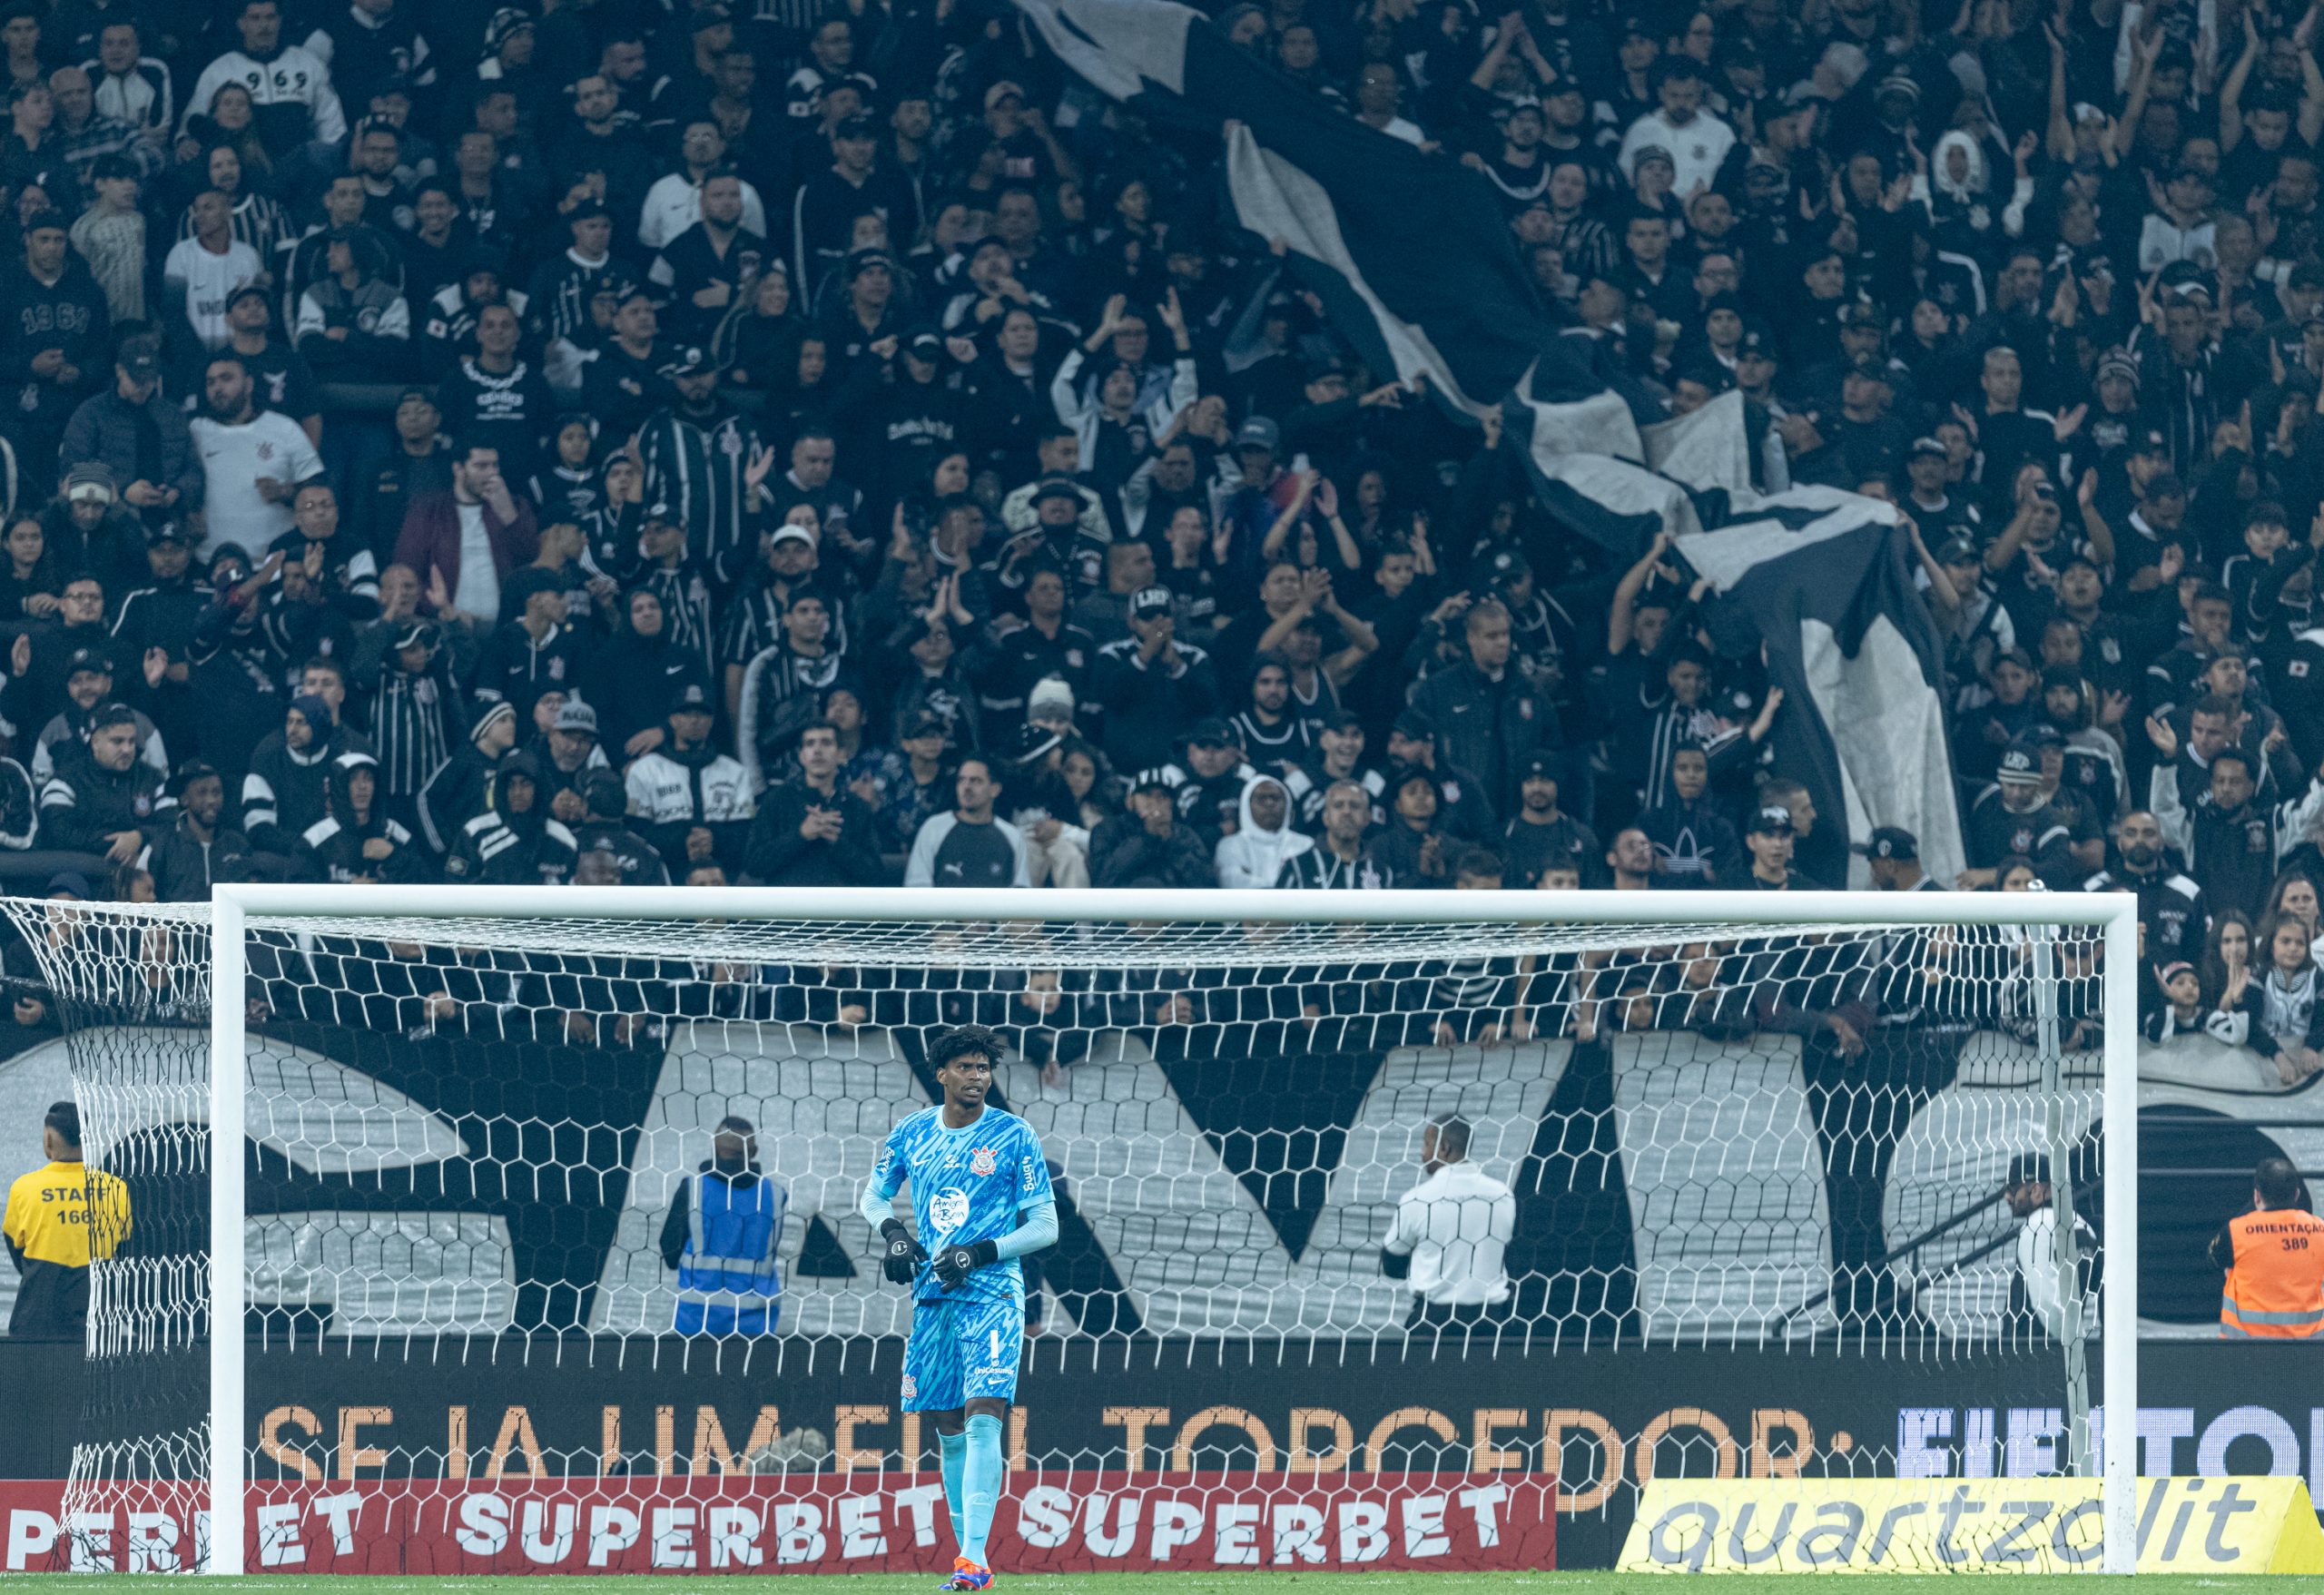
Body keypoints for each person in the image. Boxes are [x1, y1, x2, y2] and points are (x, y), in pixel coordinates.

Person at [857, 1023, 1057, 1591]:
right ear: (941, 1074)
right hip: (933, 1295)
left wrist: (980, 1252)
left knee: (982, 1417)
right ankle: (966, 1558)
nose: (977, 1077)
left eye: (984, 1068)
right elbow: (871, 1196)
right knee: (946, 1427)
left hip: (993, 1293)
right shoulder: (913, 1132)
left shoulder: (1013, 1136)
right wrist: (894, 1231)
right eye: (966, 1068)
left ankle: (974, 1560)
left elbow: (1046, 1226)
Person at [2, 1101, 129, 1338]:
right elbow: (123, 1252)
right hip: (96, 1327)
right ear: (88, 1138)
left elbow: (18, 1254)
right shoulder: (116, 1188)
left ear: (48, 1140)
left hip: (35, 1323)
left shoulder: (24, 1188)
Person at [1381, 1114, 1514, 1332]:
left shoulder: (1417, 1199)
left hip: (1435, 1323)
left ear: (1443, 1148)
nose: (1421, 1153)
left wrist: (1425, 1264)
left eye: (1426, 1144)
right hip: (1491, 1323)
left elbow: (1392, 1263)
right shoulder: (1503, 1194)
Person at [657, 1115, 787, 1336]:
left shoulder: (693, 1189)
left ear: (714, 1148)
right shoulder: (775, 1194)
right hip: (755, 1325)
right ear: (753, 1153)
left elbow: (670, 1252)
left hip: (696, 1322)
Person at [2211, 1156, 2324, 1339]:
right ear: (2296, 1194)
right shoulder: (2320, 1230)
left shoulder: (2237, 1231)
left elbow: (2213, 1257)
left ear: (2257, 1195)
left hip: (2244, 1353)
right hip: (2307, 1353)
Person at [2004, 1153, 2101, 1344]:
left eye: (2014, 1188)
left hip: (2032, 1352)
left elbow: (2045, 1300)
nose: (2007, 1196)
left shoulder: (2037, 1225)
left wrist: (2070, 1346)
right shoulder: (2084, 1226)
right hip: (2064, 1350)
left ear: (2037, 1191)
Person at [904, 759, 1028, 890]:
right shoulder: (934, 828)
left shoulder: (1012, 835)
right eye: (961, 780)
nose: (966, 787)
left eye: (975, 781)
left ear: (995, 789)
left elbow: (1022, 890)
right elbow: (917, 886)